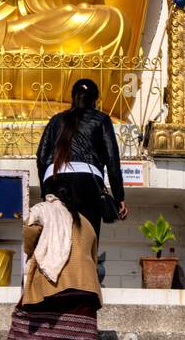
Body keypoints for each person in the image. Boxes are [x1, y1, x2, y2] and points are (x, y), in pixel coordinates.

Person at [0, 183, 102, 340]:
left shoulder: (44, 209)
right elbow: (93, 254)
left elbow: (30, 232)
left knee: (26, 320)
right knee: (81, 337)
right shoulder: (85, 222)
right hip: (87, 286)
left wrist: (32, 250)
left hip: (55, 282)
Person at [35, 77, 128, 235]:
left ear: (72, 97)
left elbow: (42, 157)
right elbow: (112, 160)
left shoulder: (56, 120)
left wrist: (46, 191)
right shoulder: (101, 120)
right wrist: (119, 197)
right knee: (87, 237)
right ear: (96, 99)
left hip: (55, 180)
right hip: (88, 183)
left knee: (58, 238)